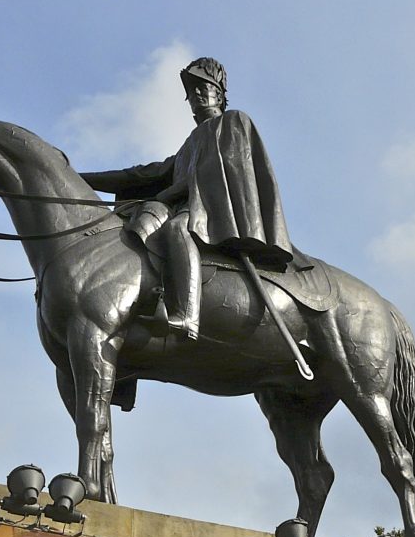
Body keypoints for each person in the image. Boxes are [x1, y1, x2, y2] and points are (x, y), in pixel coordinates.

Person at [80, 58, 293, 339]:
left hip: (215, 209)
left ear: (219, 93)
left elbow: (228, 168)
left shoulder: (233, 121)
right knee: (138, 228)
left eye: (204, 87)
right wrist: (78, 177)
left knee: (178, 229)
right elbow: (141, 174)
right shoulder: (189, 144)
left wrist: (174, 192)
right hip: (185, 206)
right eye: (192, 91)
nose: (198, 95)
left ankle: (186, 315)